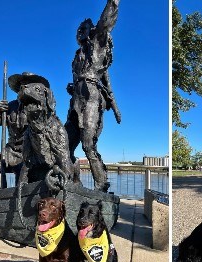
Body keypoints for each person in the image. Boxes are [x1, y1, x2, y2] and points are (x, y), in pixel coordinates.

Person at [64, 0, 121, 192]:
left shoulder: (97, 43)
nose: (79, 31)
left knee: (88, 145)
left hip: (91, 99)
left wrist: (113, 2)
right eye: (78, 29)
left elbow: (105, 21)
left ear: (92, 31)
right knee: (65, 144)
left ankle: (101, 185)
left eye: (84, 28)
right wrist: (72, 88)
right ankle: (73, 183)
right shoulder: (77, 56)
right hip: (75, 102)